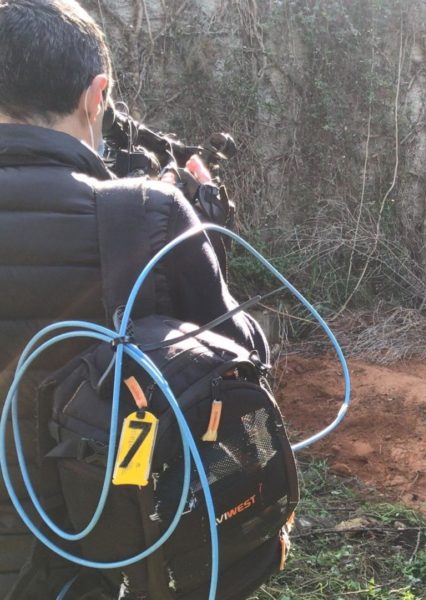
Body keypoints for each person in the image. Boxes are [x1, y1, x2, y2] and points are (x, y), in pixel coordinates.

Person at [0, 1, 269, 597]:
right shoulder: (141, 213)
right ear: (98, 95)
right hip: (91, 548)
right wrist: (197, 232)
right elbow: (243, 359)